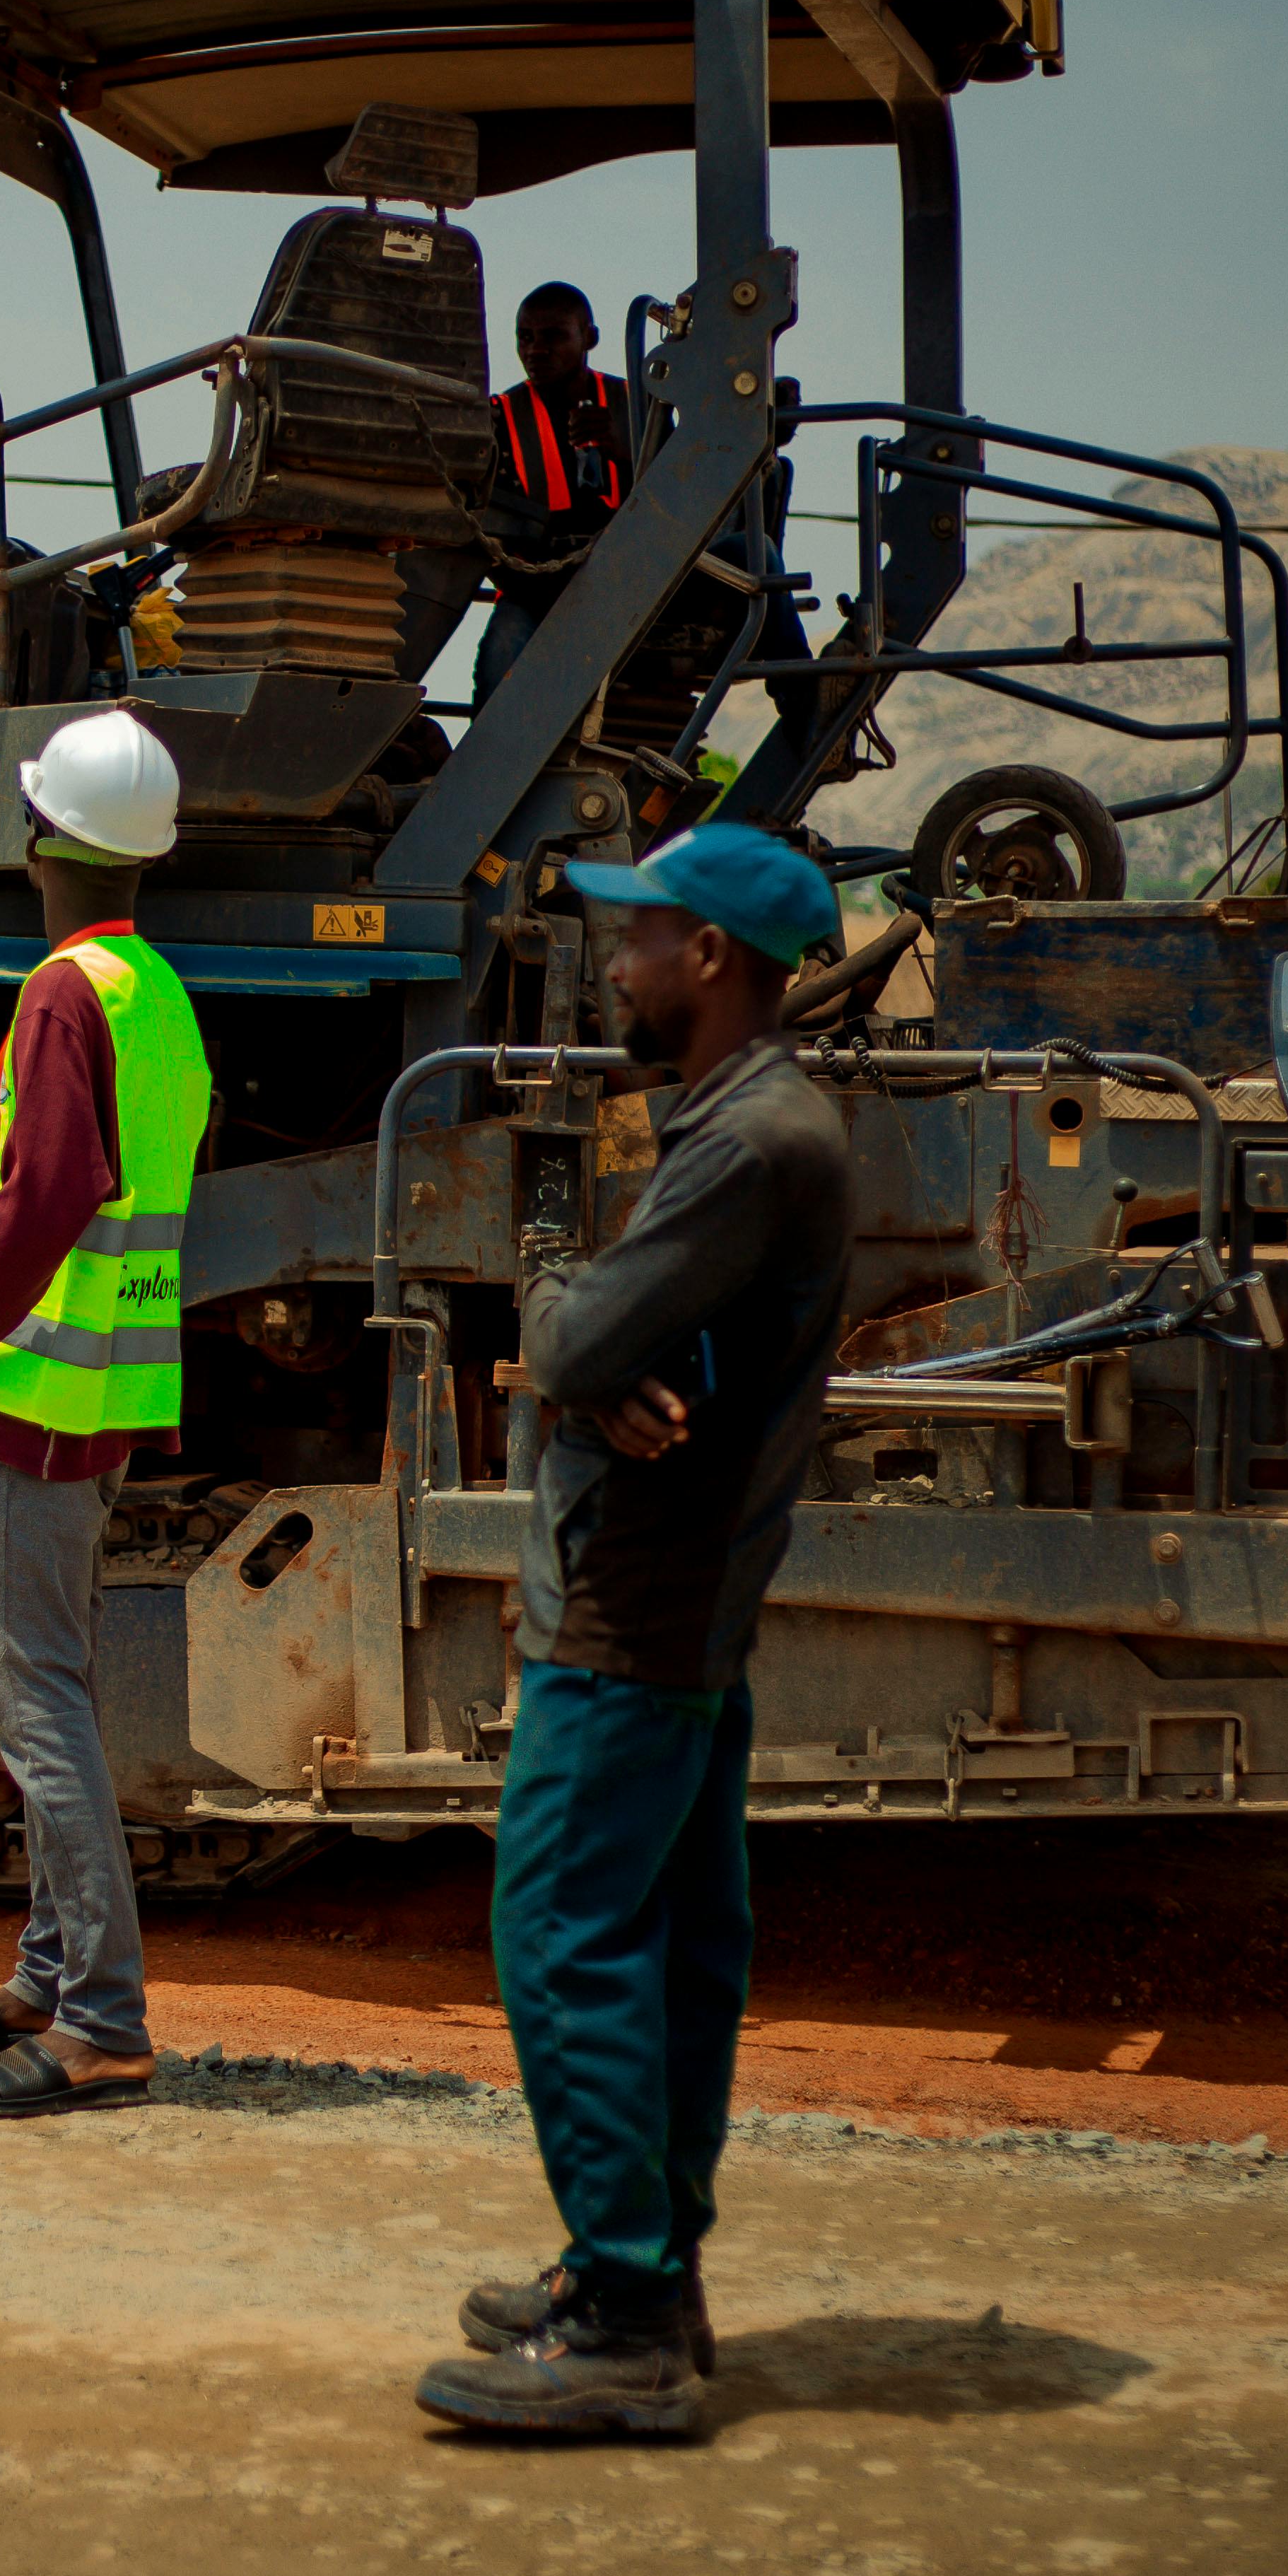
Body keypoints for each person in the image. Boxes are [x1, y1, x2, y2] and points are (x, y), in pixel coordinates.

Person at [414, 821, 851, 2437]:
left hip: (634, 1608)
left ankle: (622, 2322)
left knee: (563, 1938)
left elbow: (576, 1324)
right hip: (683, 1607)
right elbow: (605, 1335)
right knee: (667, 1951)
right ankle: (646, 2276)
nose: (615, 962)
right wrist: (585, 1342)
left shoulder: (751, 1142)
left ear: (712, 957)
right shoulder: (750, 1119)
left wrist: (556, 1333)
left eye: (639, 935)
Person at [0, 710, 211, 2120]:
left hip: (37, 1393)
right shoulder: (155, 992)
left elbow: (47, 1197)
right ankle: (48, 1977)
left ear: (41, 839)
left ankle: (104, 2023)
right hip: (101, 1391)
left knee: (38, 1703)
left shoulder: (63, 994)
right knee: (46, 1689)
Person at [472, 281, 634, 711]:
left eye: (553, 336)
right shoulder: (498, 418)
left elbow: (688, 497)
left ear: (590, 339)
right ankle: (490, 769)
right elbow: (492, 532)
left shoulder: (636, 404)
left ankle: (805, 698)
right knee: (502, 648)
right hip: (538, 587)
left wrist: (624, 450)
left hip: (636, 576)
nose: (535, 350)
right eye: (525, 337)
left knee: (755, 557)